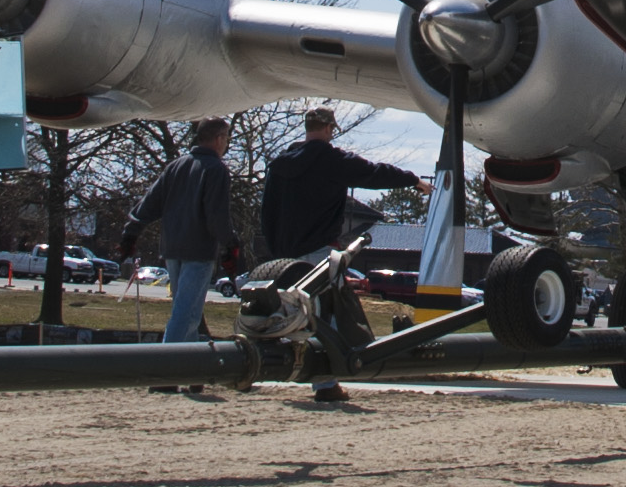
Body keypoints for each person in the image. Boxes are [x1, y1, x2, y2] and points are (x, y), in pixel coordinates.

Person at [256, 108, 418, 405]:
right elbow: (374, 173)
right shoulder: (333, 160)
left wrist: (274, 248)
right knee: (323, 316)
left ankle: (262, 364)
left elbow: (267, 210)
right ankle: (325, 384)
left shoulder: (279, 164)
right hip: (319, 249)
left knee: (282, 314)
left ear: (307, 128)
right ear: (330, 129)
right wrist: (412, 180)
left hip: (284, 253)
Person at [123, 117, 240, 343]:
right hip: (198, 251)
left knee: (188, 313)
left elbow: (149, 203)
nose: (226, 144)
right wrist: (230, 243)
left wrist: (131, 231)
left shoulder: (176, 166)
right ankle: (166, 369)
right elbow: (217, 216)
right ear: (219, 138)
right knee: (185, 315)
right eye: (226, 138)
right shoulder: (215, 169)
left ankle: (194, 371)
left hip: (172, 249)